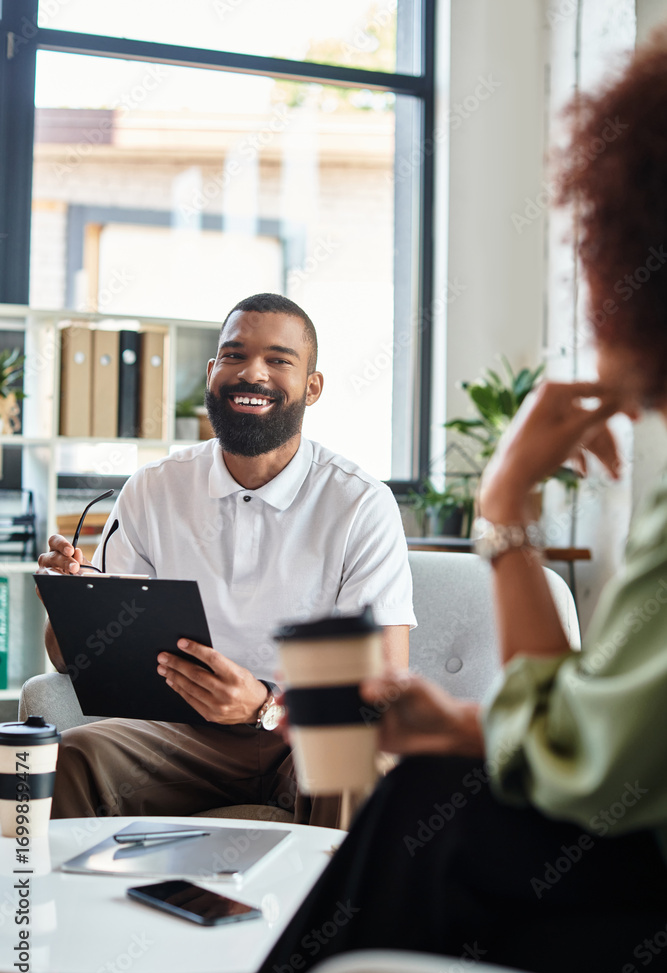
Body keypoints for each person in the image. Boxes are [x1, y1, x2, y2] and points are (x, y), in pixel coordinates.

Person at [238, 29, 667, 973]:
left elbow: (598, 768)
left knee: (432, 809)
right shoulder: (160, 488)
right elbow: (603, 742)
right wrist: (483, 724)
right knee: (447, 802)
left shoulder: (351, 494)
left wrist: (504, 506)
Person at [39, 292, 415, 827]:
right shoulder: (153, 488)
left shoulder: (359, 503)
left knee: (357, 765)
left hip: (304, 734)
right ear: (214, 370)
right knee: (66, 759)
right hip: (181, 734)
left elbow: (384, 684)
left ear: (313, 387)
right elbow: (67, 660)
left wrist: (264, 706)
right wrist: (70, 603)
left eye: (279, 360)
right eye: (235, 356)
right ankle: (54, 912)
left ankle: (334, 915)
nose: (252, 373)